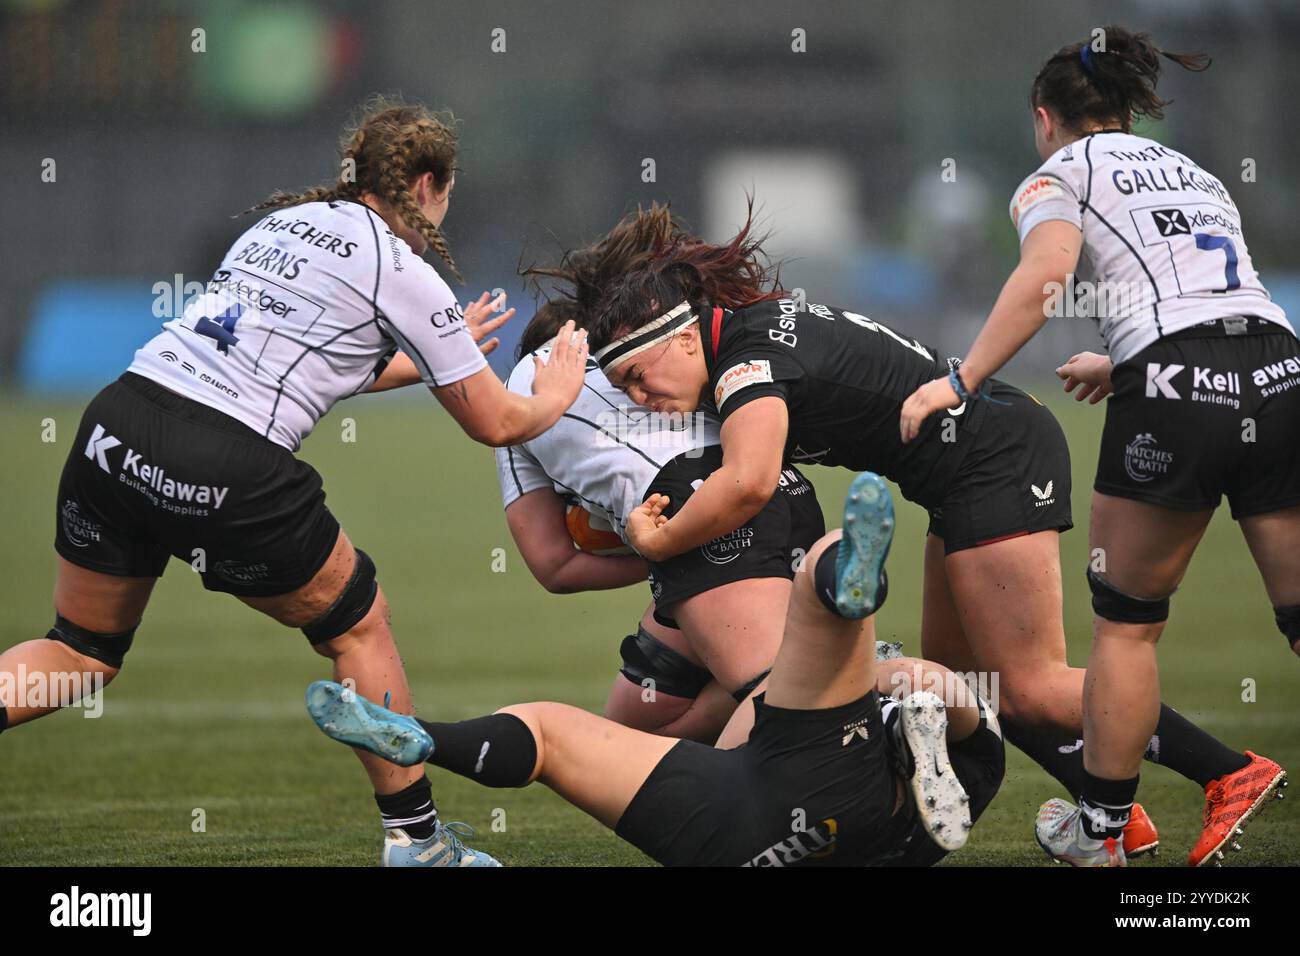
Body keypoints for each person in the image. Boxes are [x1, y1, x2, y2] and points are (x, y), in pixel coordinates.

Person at [584, 206, 1276, 863]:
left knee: (1028, 684)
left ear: (679, 336)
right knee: (964, 687)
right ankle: (1106, 807)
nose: (642, 397)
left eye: (638, 377)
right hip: (976, 462)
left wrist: (659, 542)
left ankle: (1228, 772)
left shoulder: (745, 360)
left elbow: (750, 482)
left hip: (992, 460)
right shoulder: (751, 330)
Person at [0, 96, 589, 867]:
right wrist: (559, 389)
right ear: (426, 183)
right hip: (222, 460)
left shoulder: (277, 226)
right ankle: (418, 844)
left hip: (118, 421)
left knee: (78, 652)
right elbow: (497, 423)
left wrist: (440, 358)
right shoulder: (400, 266)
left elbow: (309, 365)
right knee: (359, 625)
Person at [898, 27, 1291, 866]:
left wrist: (959, 380)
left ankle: (1102, 833)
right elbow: (1212, 297)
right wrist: (1126, 361)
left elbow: (1045, 278)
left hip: (1180, 387)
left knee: (1128, 627)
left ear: (1046, 118)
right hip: (1282, 366)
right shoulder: (1197, 173)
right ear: (1127, 108)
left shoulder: (1058, 173)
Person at [308, 473, 1006, 867]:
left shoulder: (946, 760)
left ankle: (425, 735)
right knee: (882, 660)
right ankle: (873, 640)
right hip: (817, 825)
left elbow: (950, 700)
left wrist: (894, 676)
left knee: (549, 735)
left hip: (751, 815)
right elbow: (972, 720)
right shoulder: (965, 781)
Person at [497, 207, 823, 744]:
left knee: (785, 703)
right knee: (634, 729)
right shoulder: (683, 350)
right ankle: (824, 657)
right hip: (781, 492)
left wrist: (655, 545)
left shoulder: (527, 381)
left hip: (693, 504)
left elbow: (554, 565)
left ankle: (884, 687)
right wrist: (660, 553)